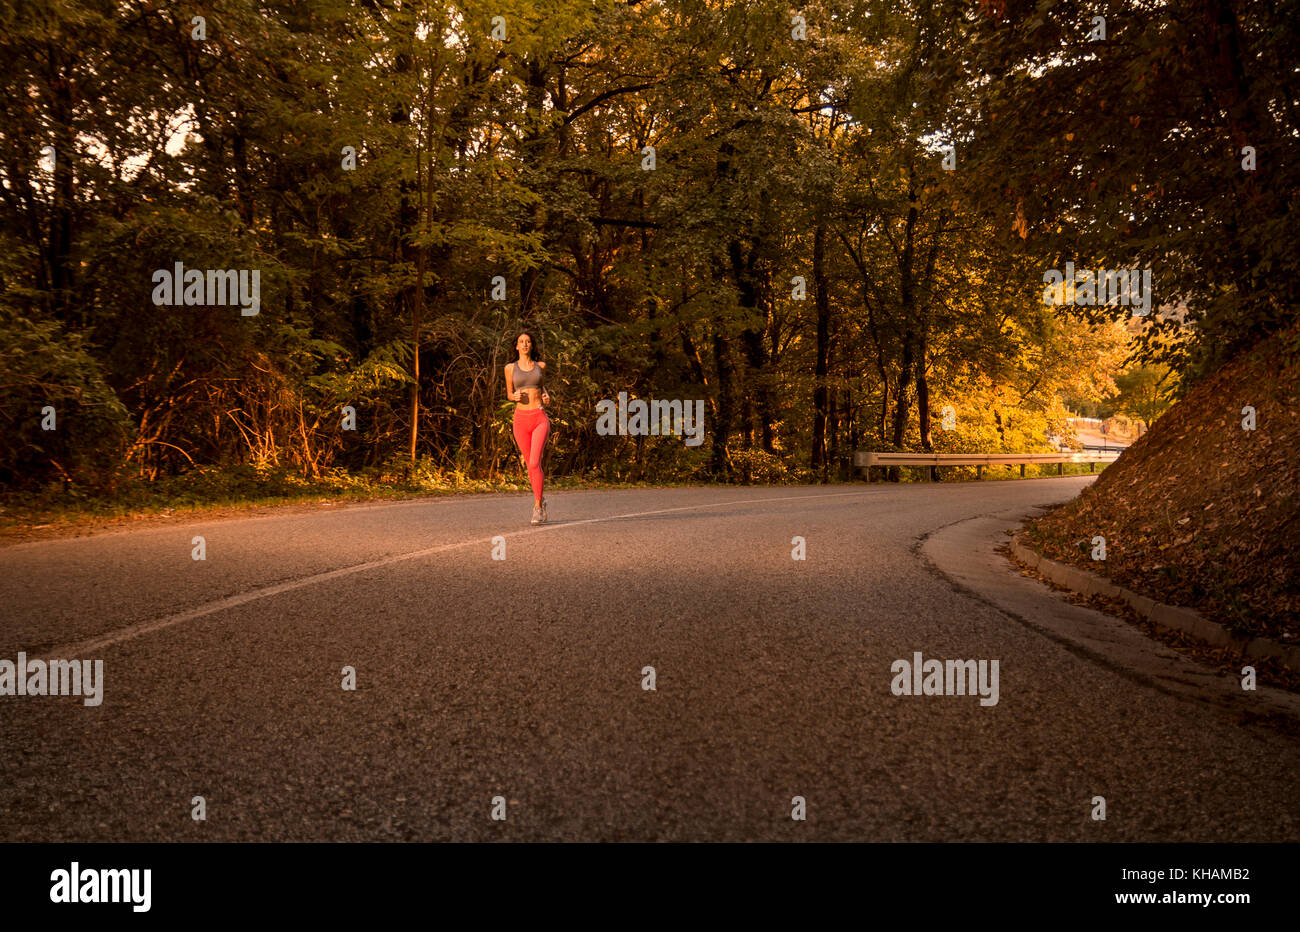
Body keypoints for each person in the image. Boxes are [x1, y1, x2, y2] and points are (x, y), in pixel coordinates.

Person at [505, 331, 551, 525]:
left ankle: (538, 507)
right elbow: (508, 393)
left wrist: (547, 397)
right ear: (516, 346)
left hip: (539, 417)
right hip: (520, 420)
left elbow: (543, 388)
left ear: (532, 345)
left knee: (534, 463)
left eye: (528, 341)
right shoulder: (509, 368)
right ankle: (540, 499)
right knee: (530, 465)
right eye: (521, 342)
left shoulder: (541, 366)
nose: (524, 344)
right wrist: (512, 397)